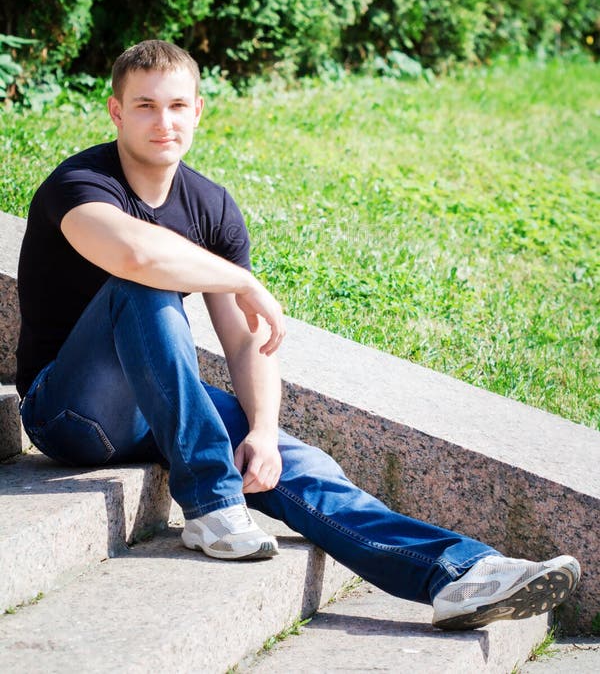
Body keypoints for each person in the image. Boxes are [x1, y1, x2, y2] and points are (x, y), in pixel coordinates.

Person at [16, 39, 580, 631]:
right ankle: (211, 503)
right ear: (116, 112)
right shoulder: (78, 183)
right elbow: (134, 254)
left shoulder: (211, 206)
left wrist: (260, 430)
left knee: (296, 462)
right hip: (68, 412)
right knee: (142, 285)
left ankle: (461, 573)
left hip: (157, 407)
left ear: (199, 110)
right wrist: (241, 279)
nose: (165, 122)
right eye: (146, 106)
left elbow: (243, 342)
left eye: (179, 106)